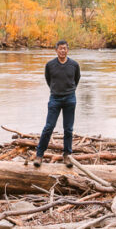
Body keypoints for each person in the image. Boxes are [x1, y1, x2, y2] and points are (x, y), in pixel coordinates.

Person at [34, 39, 80, 168]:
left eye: (65, 48)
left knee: (68, 129)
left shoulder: (74, 65)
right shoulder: (50, 65)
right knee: (49, 127)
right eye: (60, 48)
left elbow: (77, 79)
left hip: (70, 98)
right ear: (56, 50)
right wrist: (56, 90)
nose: (62, 51)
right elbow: (48, 79)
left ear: (67, 50)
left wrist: (69, 91)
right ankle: (39, 155)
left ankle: (67, 155)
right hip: (55, 98)